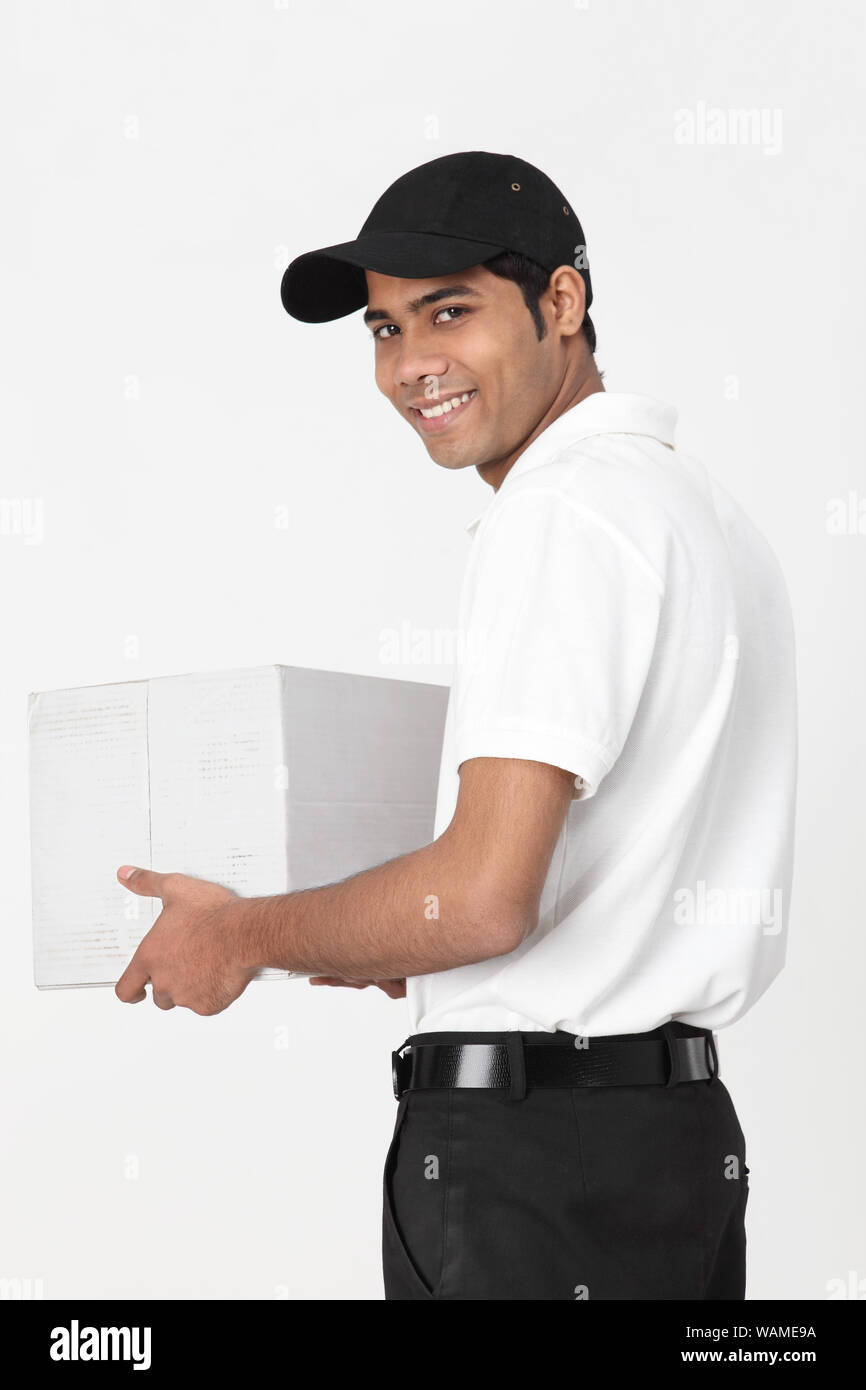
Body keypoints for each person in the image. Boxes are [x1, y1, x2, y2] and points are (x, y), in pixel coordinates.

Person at [116, 150, 798, 1301]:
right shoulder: (699, 509)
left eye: (449, 311)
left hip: (531, 1163)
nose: (411, 364)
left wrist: (235, 938)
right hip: (670, 1147)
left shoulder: (560, 510)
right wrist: (383, 937)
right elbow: (565, 886)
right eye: (384, 330)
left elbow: (483, 895)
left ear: (561, 304)